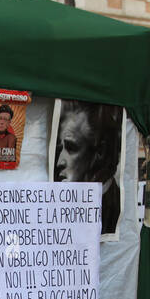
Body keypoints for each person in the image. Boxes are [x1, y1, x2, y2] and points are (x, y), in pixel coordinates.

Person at [52, 100, 124, 233]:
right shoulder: (59, 206)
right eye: (59, 149)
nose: (59, 162)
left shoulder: (119, 210)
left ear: (100, 152)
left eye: (71, 148)